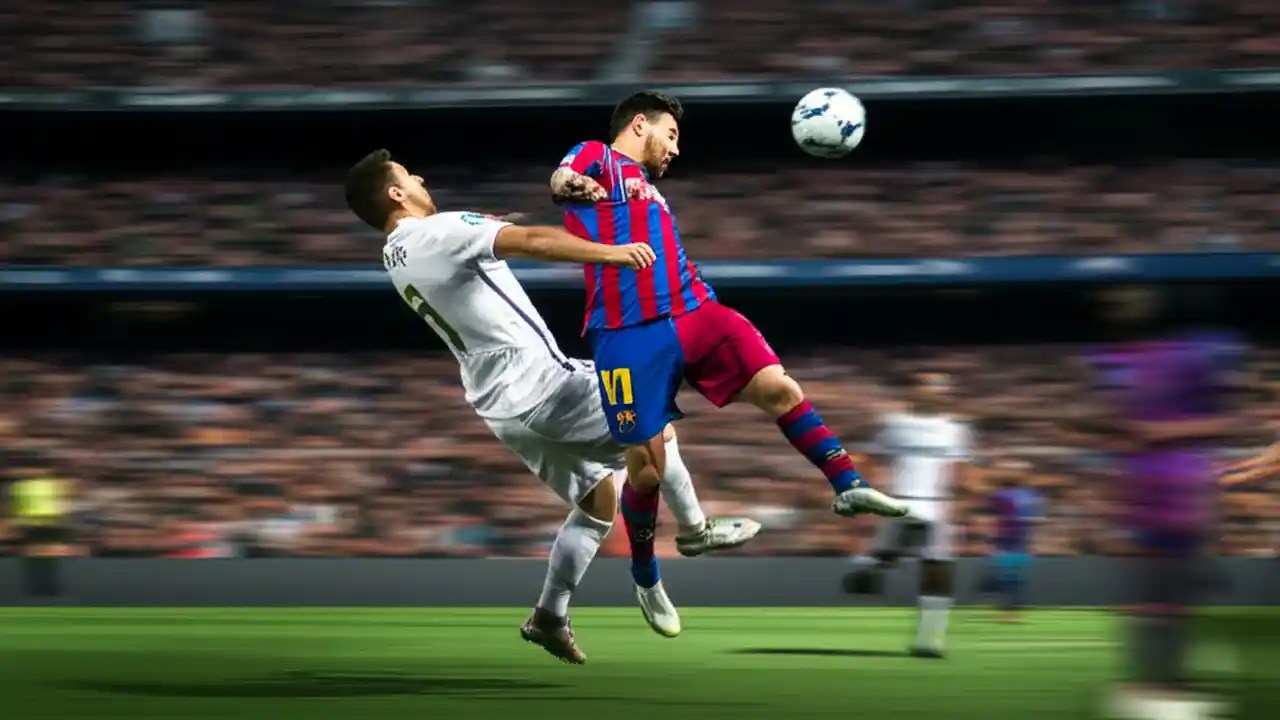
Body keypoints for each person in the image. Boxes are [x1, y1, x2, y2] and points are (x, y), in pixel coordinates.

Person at [343, 149, 760, 664]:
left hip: (500, 406)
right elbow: (533, 242)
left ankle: (549, 617)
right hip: (541, 384)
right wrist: (615, 251)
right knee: (653, 424)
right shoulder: (439, 231)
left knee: (596, 505)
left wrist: (498, 223)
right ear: (395, 193)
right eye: (410, 175)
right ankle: (696, 530)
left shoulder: (396, 253)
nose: (421, 177)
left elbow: (485, 240)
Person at [548, 90, 907, 598]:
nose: (675, 149)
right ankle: (647, 576)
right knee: (647, 470)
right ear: (638, 125)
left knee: (779, 388)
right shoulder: (598, 156)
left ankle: (847, 484)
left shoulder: (650, 189)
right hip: (626, 332)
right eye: (670, 135)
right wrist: (583, 188)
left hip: (696, 309)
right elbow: (561, 181)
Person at [846, 371, 972, 658]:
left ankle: (929, 640)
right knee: (909, 547)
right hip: (898, 500)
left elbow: (961, 472)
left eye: (939, 387)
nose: (933, 391)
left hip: (937, 503)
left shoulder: (955, 429)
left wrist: (960, 508)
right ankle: (879, 562)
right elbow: (874, 461)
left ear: (945, 393)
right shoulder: (895, 426)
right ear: (914, 392)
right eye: (926, 386)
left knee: (938, 567)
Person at [988, 465, 1042, 623]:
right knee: (1013, 579)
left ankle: (1007, 610)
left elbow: (996, 513)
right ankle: (1008, 611)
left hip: (1013, 542)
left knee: (1011, 579)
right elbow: (1032, 518)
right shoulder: (1026, 496)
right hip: (1012, 541)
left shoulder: (1009, 495)